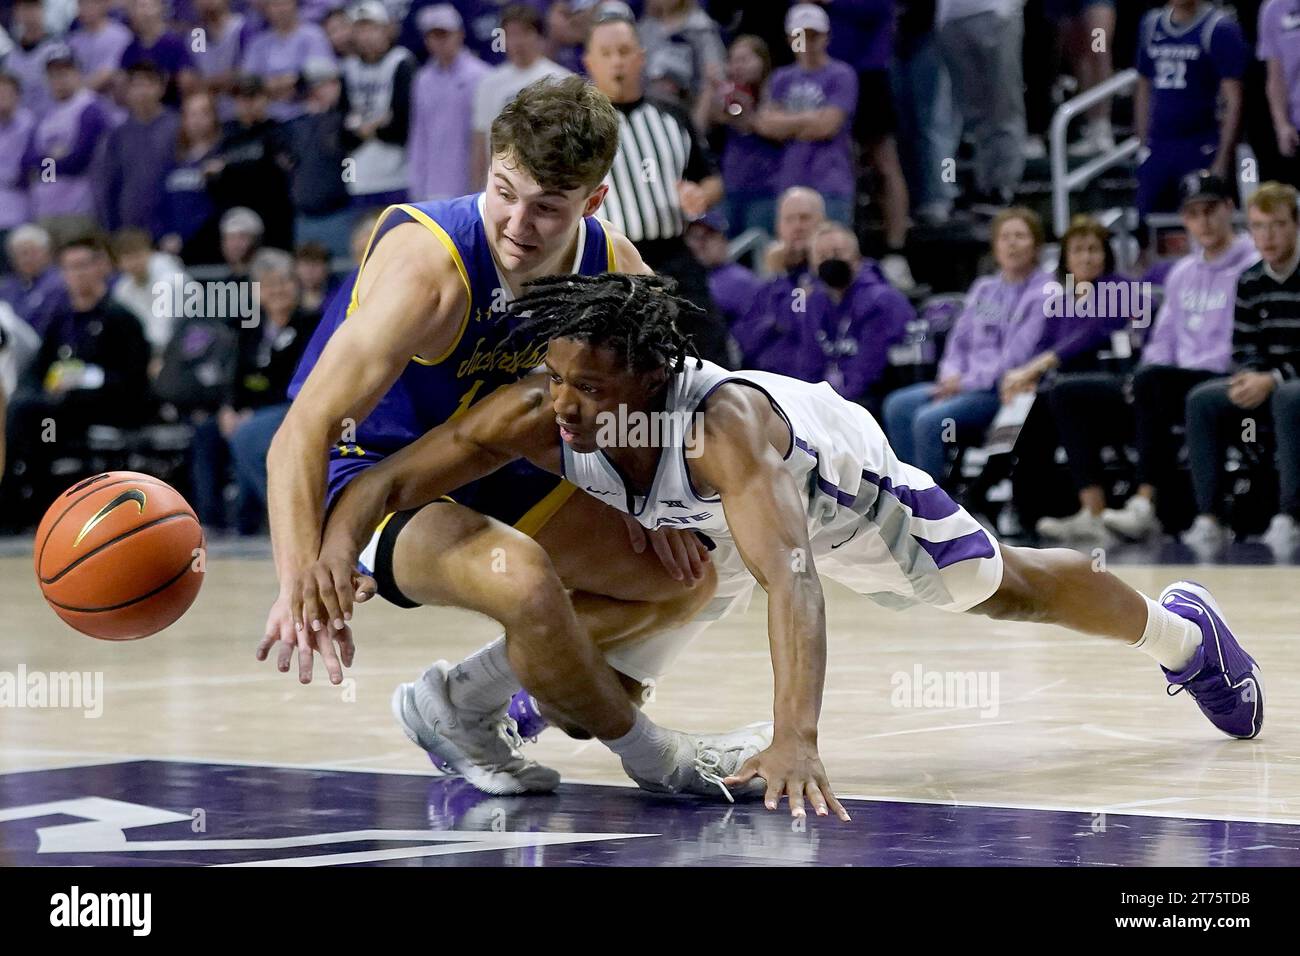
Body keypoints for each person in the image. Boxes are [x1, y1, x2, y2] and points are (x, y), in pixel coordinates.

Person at [301, 271, 1266, 818]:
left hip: (846, 502)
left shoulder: (722, 429)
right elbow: (396, 477)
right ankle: (505, 704)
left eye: (586, 389)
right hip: (705, 524)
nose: (561, 403)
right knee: (654, 606)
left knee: (997, 587)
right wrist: (332, 557)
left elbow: (794, 578)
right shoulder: (544, 409)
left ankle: (1182, 636)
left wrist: (794, 738)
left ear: (645, 382)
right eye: (556, 378)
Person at [258, 76, 769, 799]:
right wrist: (299, 577)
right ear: (488, 169)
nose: (518, 224)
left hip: (492, 457)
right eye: (504, 191)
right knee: (526, 582)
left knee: (680, 583)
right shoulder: (427, 267)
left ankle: (460, 701)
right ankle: (658, 757)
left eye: (546, 207)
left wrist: (646, 501)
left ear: (592, 203)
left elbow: (667, 394)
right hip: (372, 472)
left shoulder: (615, 264)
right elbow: (300, 432)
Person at [1050, 172, 1258, 541]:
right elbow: (1161, 340)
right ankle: (1093, 512)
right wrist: (1148, 370)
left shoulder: (1250, 266)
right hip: (1167, 379)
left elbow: (1241, 343)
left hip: (1221, 377)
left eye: (1211, 210)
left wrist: (1156, 374)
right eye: (1194, 213)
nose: (1204, 221)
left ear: (1229, 209)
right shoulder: (1181, 273)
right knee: (1068, 392)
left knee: (1152, 382)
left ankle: (1145, 504)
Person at [582, 10, 730, 363]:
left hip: (672, 256)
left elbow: (709, 178)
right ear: (589, 63)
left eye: (624, 51)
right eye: (606, 53)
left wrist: (701, 196)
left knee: (710, 355)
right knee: (618, 365)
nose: (617, 61)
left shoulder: (672, 115)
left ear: (641, 57)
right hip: (607, 263)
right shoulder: (579, 124)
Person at [882, 207, 1053, 481]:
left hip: (1002, 390)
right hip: (959, 384)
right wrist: (950, 376)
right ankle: (908, 498)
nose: (1011, 243)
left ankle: (935, 510)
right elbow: (957, 343)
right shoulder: (984, 288)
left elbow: (1016, 359)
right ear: (995, 247)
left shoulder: (1045, 293)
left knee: (928, 421)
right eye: (1004, 237)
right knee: (898, 405)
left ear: (1036, 245)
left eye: (1020, 236)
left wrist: (962, 384)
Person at [0, 235, 152, 529]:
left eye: (83, 265)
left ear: (102, 267)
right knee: (22, 408)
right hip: (56, 410)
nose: (77, 274)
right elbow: (37, 369)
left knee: (30, 416)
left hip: (106, 406)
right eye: (69, 267)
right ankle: (25, 499)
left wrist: (86, 380)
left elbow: (134, 382)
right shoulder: (60, 318)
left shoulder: (121, 318)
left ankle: (15, 503)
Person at [1011, 215, 1147, 540]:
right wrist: (1025, 378)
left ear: (1106, 255)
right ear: (1065, 258)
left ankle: (1094, 511)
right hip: (1066, 394)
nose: (1086, 257)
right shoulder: (1060, 300)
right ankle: (1025, 512)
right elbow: (1042, 347)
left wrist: (1035, 368)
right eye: (1078, 250)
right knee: (1031, 407)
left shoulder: (1121, 289)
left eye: (1094, 249)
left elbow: (1089, 335)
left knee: (1058, 394)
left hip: (1117, 391)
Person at [1183, 181, 1300, 553]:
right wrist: (1250, 376)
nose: (1267, 236)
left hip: (1290, 384)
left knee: (1287, 396)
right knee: (1202, 399)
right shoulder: (1250, 280)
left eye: (1278, 225)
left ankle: (1288, 516)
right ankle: (1209, 518)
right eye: (1259, 227)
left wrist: (1273, 378)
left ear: (1295, 225)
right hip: (1266, 380)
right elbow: (1245, 345)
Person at [1135, 1, 1247, 218]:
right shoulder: (1150, 25)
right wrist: (1142, 144)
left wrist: (1222, 159)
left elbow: (1233, 99)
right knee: (1146, 224)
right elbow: (1143, 87)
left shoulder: (1219, 28)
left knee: (1203, 219)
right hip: (1159, 145)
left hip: (1201, 144)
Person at [754, 6, 859, 231]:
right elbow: (765, 125)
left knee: (831, 250)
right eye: (800, 36)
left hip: (831, 184)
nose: (808, 43)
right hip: (789, 182)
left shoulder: (842, 74)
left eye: (814, 36)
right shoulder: (781, 78)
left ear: (826, 37)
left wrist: (786, 122)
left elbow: (827, 126)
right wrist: (810, 118)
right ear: (789, 38)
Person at [804, 221, 914, 416]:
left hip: (873, 396)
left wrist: (834, 405)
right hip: (831, 399)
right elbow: (810, 361)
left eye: (838, 253)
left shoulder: (881, 300)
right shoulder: (815, 301)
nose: (830, 260)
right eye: (822, 256)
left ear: (857, 258)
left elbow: (868, 368)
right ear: (812, 265)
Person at [936, 0, 1028, 208]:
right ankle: (982, 182)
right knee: (969, 112)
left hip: (996, 12)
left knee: (1003, 104)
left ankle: (1004, 184)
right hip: (951, 17)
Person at [469, 4, 571, 189]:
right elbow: (480, 140)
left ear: (539, 36)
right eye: (510, 34)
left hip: (546, 181)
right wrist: (476, 189)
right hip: (500, 183)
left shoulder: (561, 80)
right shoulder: (489, 84)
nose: (517, 41)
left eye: (524, 33)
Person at [407, 5, 490, 201]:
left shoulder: (481, 76)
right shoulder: (423, 79)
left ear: (459, 34)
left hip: (471, 186)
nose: (439, 42)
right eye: (432, 36)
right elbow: (419, 135)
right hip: (432, 186)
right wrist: (417, 185)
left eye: (444, 34)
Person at [703, 34, 781, 237]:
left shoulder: (776, 90)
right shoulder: (727, 93)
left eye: (745, 60)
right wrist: (710, 89)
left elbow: (767, 128)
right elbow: (700, 125)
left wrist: (744, 114)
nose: (738, 66)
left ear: (763, 62)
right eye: (733, 60)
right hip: (730, 189)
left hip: (766, 191)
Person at [340, 2, 415, 209]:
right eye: (360, 29)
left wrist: (362, 128)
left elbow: (401, 126)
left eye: (372, 28)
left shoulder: (401, 62)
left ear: (386, 30)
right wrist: (378, 123)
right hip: (359, 179)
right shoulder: (349, 68)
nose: (366, 36)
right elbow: (343, 133)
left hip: (398, 177)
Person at [99, 61, 181, 238]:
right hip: (129, 227)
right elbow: (110, 183)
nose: (142, 92)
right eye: (136, 85)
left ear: (161, 88)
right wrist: (111, 228)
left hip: (169, 225)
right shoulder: (118, 134)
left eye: (148, 84)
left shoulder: (177, 126)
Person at [0, 225, 65, 338]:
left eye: (32, 252)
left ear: (47, 253)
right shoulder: (6, 288)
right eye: (21, 254)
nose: (27, 259)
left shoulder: (60, 282)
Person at [0, 72, 34, 261]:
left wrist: (49, 181)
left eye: (6, 93)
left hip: (22, 212)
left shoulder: (31, 123)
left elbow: (48, 160)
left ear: (18, 95)